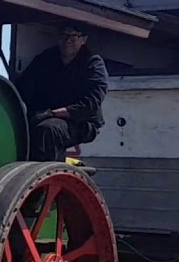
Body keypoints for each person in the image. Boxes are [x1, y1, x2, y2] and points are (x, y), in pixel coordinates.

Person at [14, 23, 109, 162]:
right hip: (42, 115)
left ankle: (44, 175)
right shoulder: (45, 59)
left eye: (73, 36)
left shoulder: (93, 63)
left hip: (81, 122)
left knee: (48, 130)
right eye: (63, 35)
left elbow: (90, 104)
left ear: (83, 39)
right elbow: (23, 86)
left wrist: (52, 113)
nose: (67, 40)